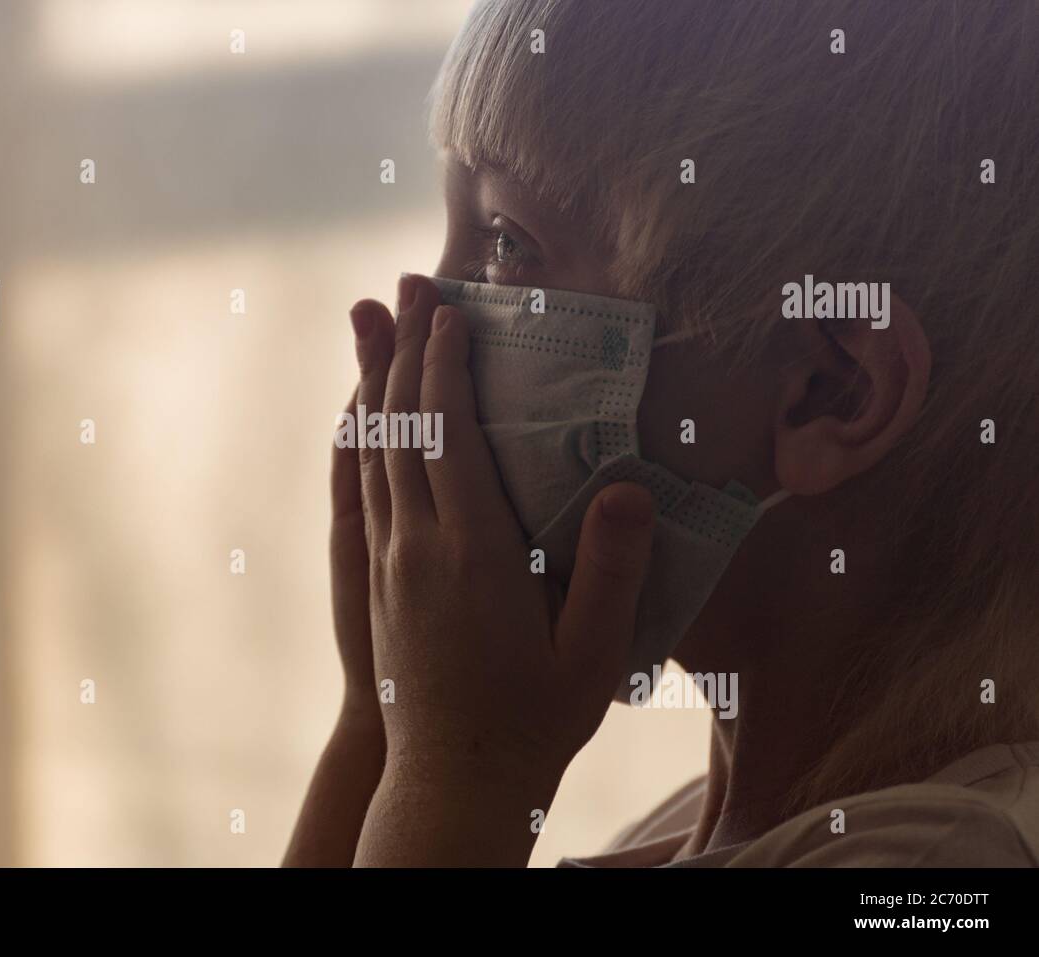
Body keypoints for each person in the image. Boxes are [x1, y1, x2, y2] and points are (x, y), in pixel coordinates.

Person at [284, 0, 1039, 867]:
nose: (421, 316)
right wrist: (381, 727)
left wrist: (461, 772)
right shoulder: (690, 829)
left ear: (831, 389)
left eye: (505, 242)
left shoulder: (938, 865)